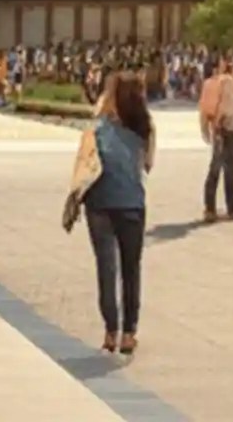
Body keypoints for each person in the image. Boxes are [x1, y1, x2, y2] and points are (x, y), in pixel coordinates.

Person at [81, 71, 155, 355]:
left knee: (106, 268)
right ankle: (129, 333)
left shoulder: (99, 127)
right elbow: (148, 165)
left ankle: (110, 331)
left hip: (99, 203)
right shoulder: (144, 128)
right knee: (131, 269)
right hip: (132, 203)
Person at [200, 57, 233, 222]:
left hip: (218, 129)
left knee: (216, 170)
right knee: (229, 171)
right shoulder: (228, 82)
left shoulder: (210, 83)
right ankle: (231, 209)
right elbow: (224, 106)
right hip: (226, 129)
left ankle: (210, 209)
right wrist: (221, 122)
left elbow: (203, 107)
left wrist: (207, 129)